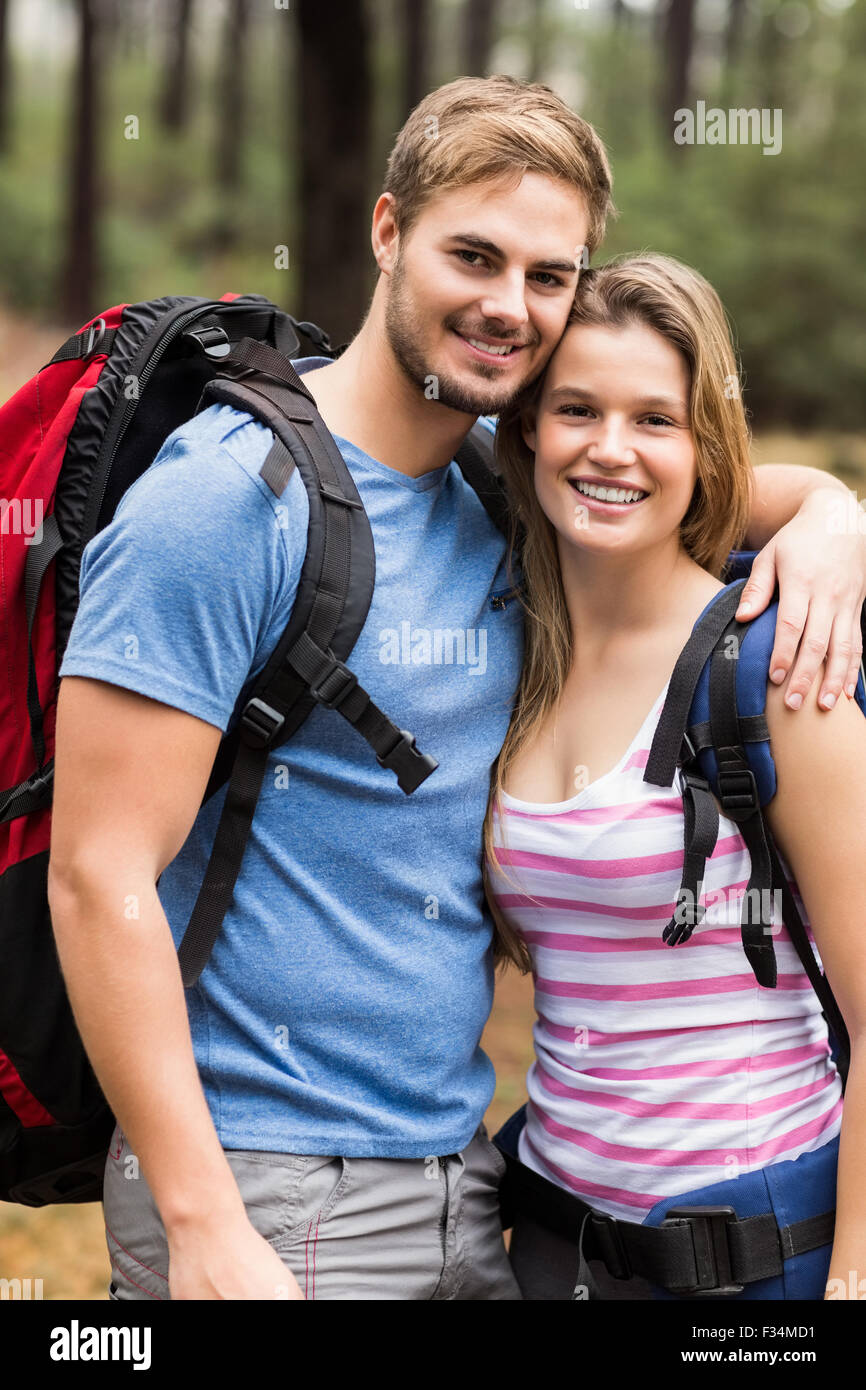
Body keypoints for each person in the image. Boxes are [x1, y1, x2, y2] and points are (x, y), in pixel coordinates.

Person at [47, 76, 866, 1302]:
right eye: (471, 255)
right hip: (265, 1190)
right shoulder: (228, 503)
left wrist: (832, 513)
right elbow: (95, 869)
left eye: (548, 275)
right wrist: (200, 1219)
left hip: (472, 1188)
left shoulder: (503, 480)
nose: (508, 306)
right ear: (386, 233)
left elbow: (691, 478)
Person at [483, 252, 866, 1301]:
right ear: (528, 426)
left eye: (654, 419)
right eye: (576, 409)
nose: (609, 449)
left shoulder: (772, 667)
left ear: (705, 448)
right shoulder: (510, 651)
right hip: (554, 1249)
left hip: (748, 1269)